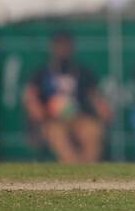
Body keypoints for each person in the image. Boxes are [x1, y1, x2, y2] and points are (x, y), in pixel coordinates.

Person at [23, 31, 111, 164]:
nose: (63, 49)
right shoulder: (42, 72)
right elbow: (30, 96)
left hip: (78, 118)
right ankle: (73, 170)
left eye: (66, 45)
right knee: (57, 135)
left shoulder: (82, 71)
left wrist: (103, 111)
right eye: (59, 45)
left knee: (93, 131)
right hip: (52, 120)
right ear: (53, 47)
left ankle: (89, 170)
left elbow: (96, 97)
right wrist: (39, 111)